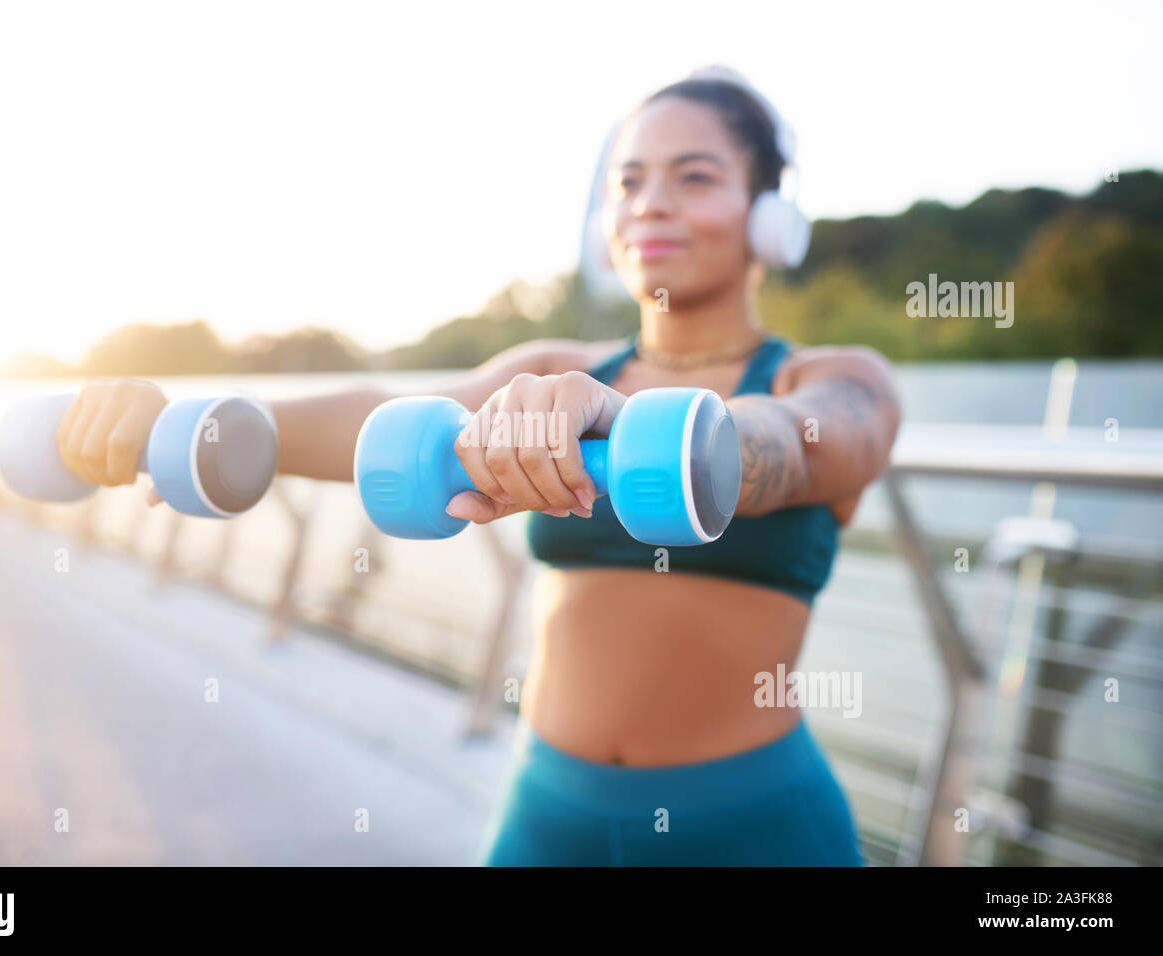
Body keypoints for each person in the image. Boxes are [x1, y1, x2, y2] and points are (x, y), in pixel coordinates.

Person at [54, 67, 901, 866]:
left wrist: (633, 423)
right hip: (548, 813)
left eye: (694, 178)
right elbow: (386, 420)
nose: (651, 205)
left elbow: (788, 445)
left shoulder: (830, 380)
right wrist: (191, 425)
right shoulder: (552, 369)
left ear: (768, 219)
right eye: (628, 181)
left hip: (754, 827)